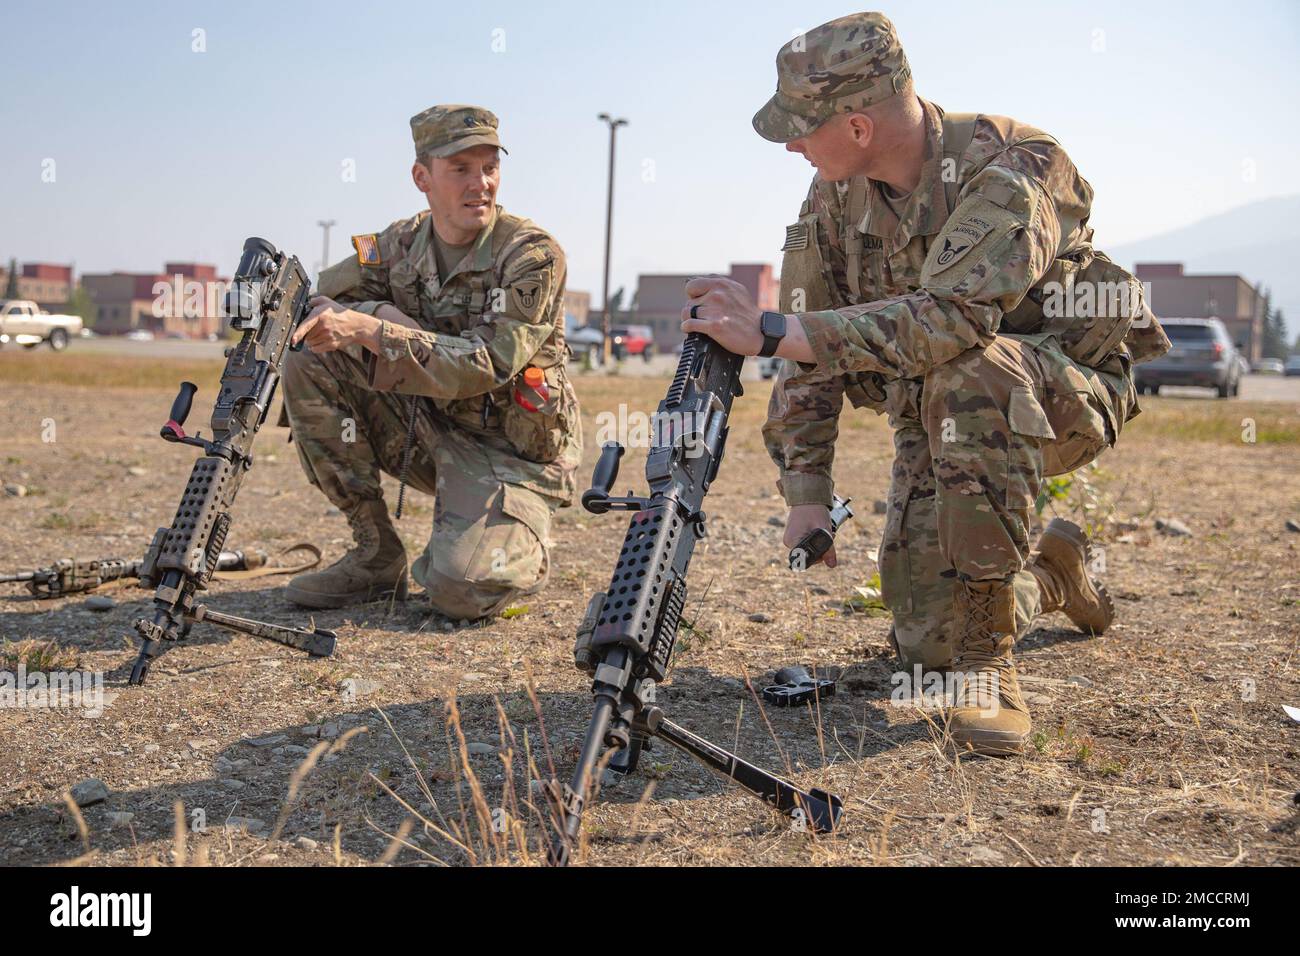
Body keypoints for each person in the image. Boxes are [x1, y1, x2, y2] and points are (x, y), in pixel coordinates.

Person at [680, 13, 1168, 755]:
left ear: (858, 124)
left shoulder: (1016, 163)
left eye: (802, 127)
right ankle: (1051, 577)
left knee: (974, 366)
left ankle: (987, 668)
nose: (790, 145)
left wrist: (775, 329)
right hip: (937, 421)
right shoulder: (830, 199)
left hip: (1057, 396)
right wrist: (806, 493)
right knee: (923, 647)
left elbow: (954, 321)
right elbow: (815, 338)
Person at [280, 104, 581, 621]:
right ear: (422, 177)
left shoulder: (531, 255)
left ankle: (515, 541)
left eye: (489, 167)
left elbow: (487, 363)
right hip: (425, 428)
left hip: (509, 450)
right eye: (460, 169)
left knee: (460, 592)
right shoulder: (398, 244)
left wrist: (375, 327)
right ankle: (376, 554)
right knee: (310, 354)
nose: (480, 183)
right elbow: (309, 298)